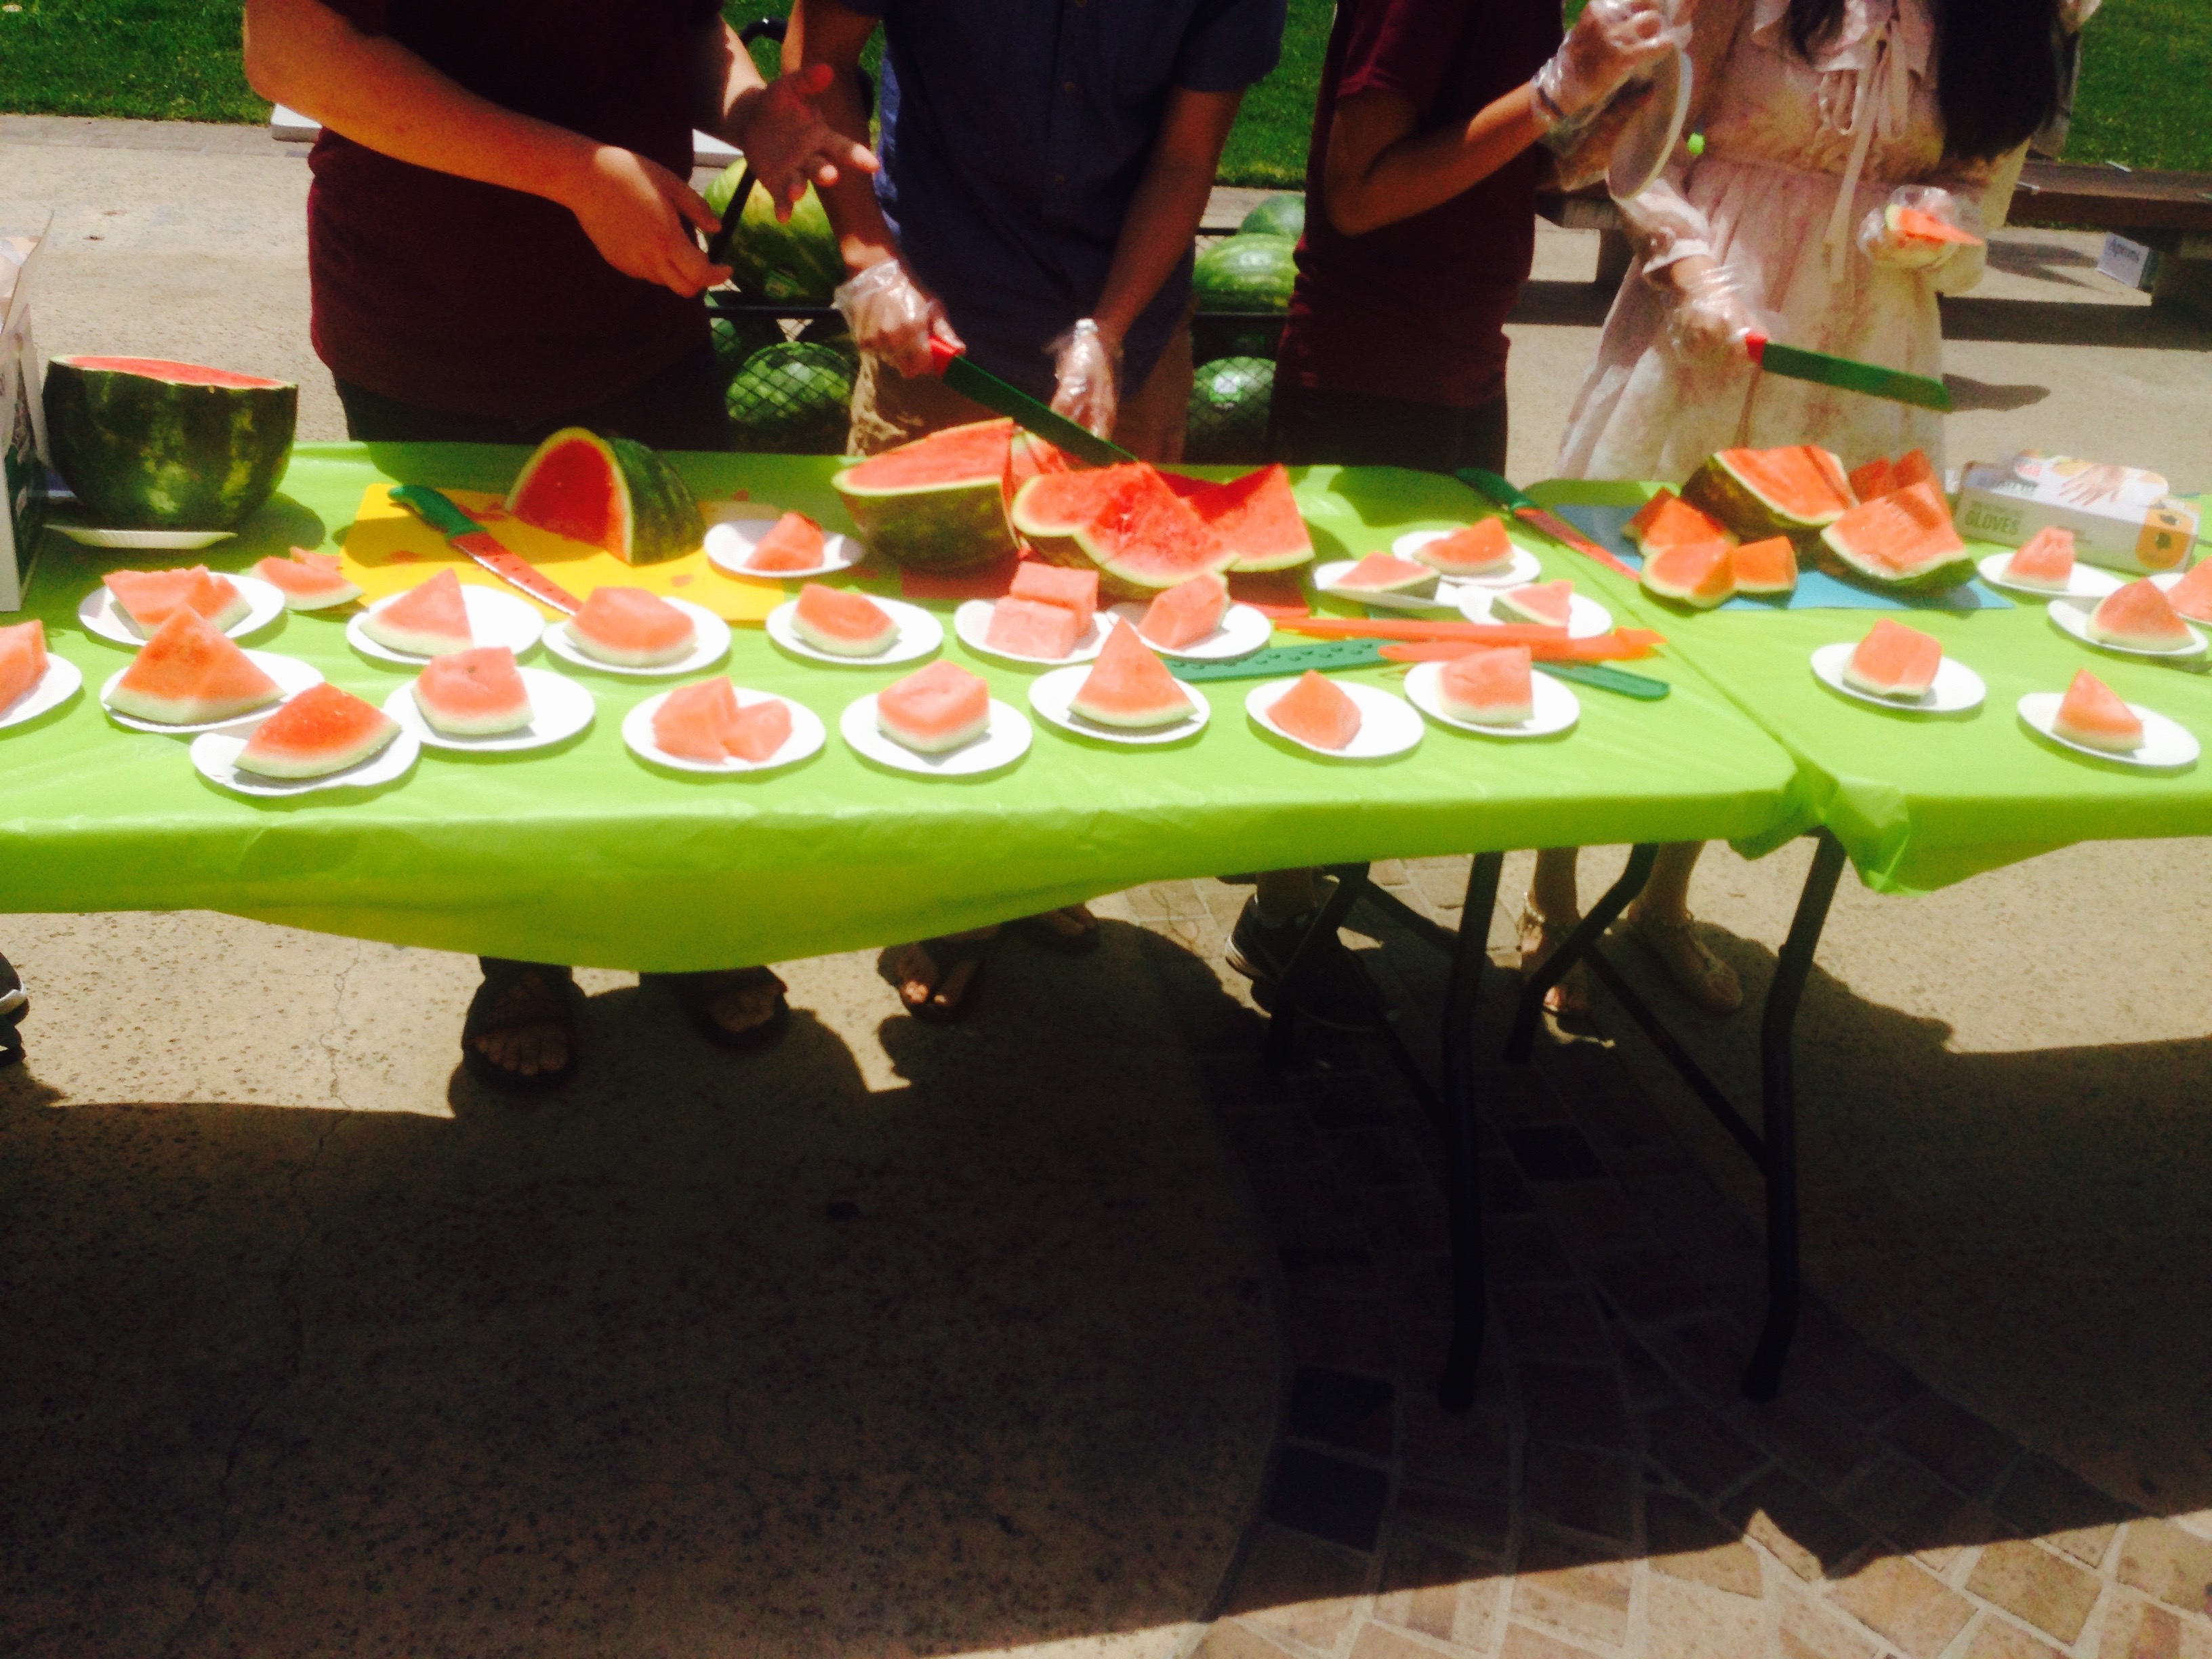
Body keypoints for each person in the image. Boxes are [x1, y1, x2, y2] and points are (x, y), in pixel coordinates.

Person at [243, 0, 872, 1090]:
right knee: (477, 666)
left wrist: (747, 110)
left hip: (641, 323)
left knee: (682, 650)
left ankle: (689, 923)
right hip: (433, 322)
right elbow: (291, 53)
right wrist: (575, 174)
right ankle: (523, 954)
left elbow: (684, 24)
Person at [1523, 0, 2078, 1017]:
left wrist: (1936, 228)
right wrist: (1692, 276)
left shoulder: (2000, 17)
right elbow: (1643, 148)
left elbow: (1976, 188)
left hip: (1866, 345)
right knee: (1628, 606)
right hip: (1706, 317)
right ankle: (1551, 892)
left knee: (1773, 630)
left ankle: (1664, 896)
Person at [786, 0, 1288, 1022]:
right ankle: (945, 899)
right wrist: (867, 256)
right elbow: (817, 68)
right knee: (929, 636)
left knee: (1090, 636)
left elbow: (1187, 155)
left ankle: (1040, 867)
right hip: (936, 316)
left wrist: (1110, 327)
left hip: (1129, 311)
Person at [1233, 0, 1685, 1025]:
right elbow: (1359, 192)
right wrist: (1549, 95)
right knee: (1334, 662)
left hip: (1465, 367)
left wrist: (1580, 140)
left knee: (1415, 659)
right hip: (1371, 377)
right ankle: (1281, 909)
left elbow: (1476, 156)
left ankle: (1312, 873)